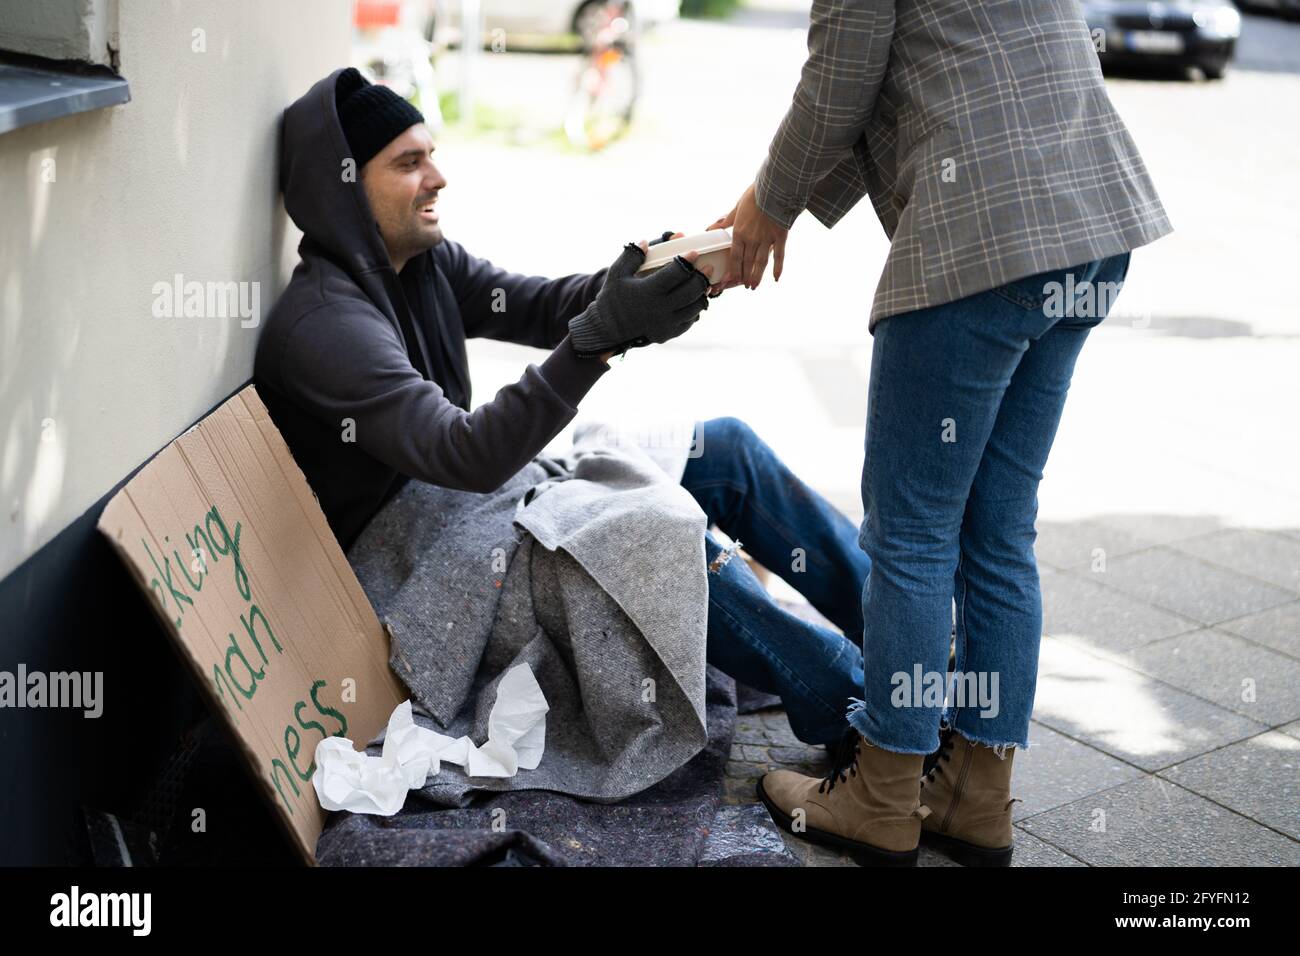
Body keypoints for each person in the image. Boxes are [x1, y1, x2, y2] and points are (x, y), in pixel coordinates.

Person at [255, 67, 872, 755]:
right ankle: (865, 720)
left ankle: (915, 656)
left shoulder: (418, 265)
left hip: (479, 515)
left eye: (431, 153)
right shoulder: (325, 324)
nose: (437, 176)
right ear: (344, 188)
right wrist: (602, 334)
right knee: (649, 532)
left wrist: (647, 280)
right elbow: (469, 455)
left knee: (721, 450)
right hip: (422, 579)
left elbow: (543, 306)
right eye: (408, 163)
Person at [711, 0, 1172, 866]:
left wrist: (770, 208)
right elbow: (937, 58)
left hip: (982, 235)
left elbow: (842, 76)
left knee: (914, 532)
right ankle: (975, 790)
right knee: (999, 526)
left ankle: (885, 791)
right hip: (1086, 221)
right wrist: (768, 201)